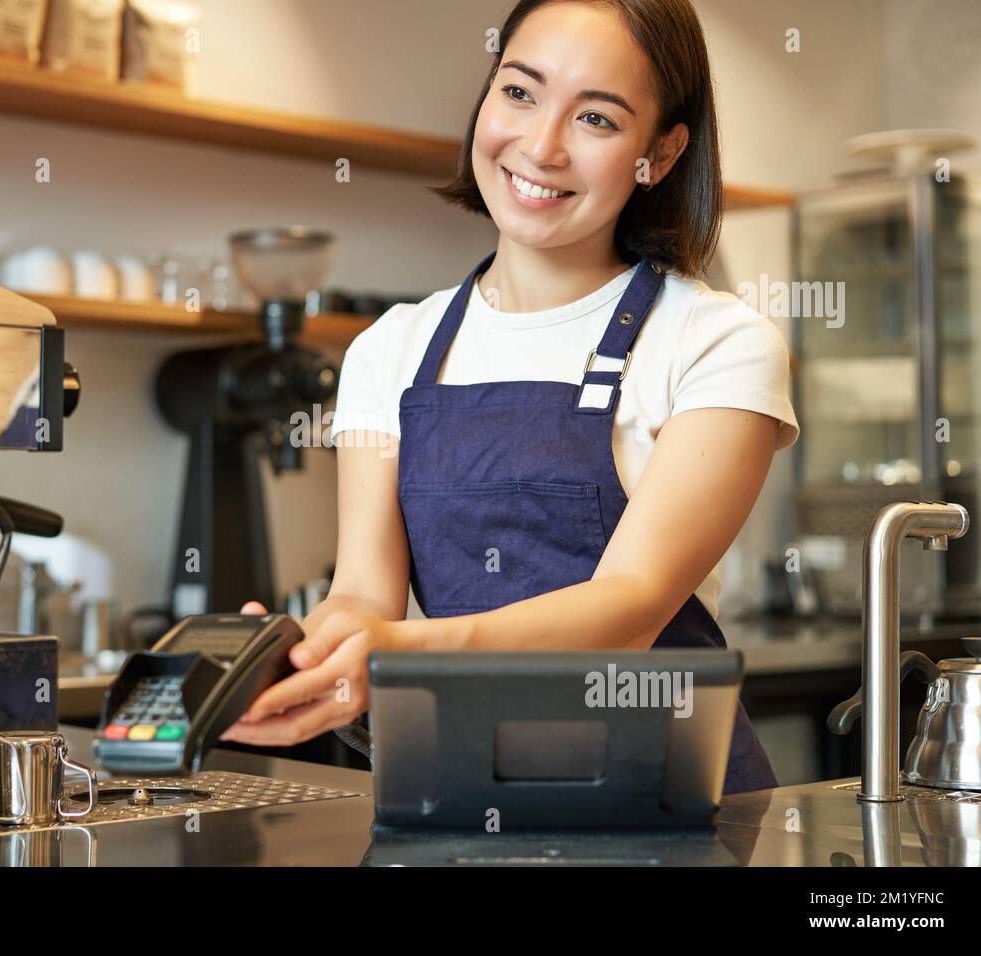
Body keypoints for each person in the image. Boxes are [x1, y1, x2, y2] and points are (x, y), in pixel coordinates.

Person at [220, 0, 799, 794]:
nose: (540, 145)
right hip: (459, 793)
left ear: (658, 156)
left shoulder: (717, 343)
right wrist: (303, 654)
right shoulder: (390, 349)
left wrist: (393, 649)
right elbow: (361, 591)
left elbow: (629, 611)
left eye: (596, 118)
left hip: (670, 808)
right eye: (520, 92)